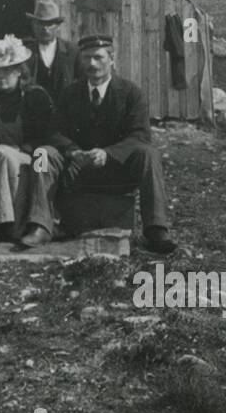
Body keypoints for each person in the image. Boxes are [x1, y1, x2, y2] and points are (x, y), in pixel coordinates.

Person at [49, 34, 178, 254]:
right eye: (87, 58)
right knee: (43, 155)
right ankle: (44, 222)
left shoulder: (131, 93)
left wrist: (108, 154)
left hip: (118, 171)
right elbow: (55, 132)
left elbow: (140, 135)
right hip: (79, 170)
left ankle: (156, 229)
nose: (91, 64)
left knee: (149, 154)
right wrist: (73, 152)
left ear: (111, 59)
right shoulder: (70, 93)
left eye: (98, 57)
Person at [0, 35, 62, 248]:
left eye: (7, 70)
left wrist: (20, 149)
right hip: (1, 154)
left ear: (20, 71)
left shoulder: (35, 96)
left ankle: (32, 224)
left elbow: (46, 134)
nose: (1, 76)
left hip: (35, 153)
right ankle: (2, 224)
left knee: (24, 159)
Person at [22, 1, 79, 99]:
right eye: (40, 23)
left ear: (58, 27)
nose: (45, 28)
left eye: (50, 23)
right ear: (34, 25)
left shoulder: (72, 51)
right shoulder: (24, 52)